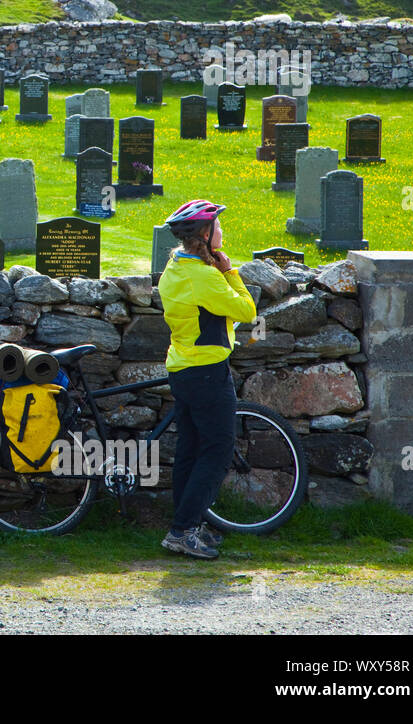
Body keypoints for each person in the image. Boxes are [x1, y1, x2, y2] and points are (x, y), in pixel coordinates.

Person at [156, 199, 257, 560]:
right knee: (216, 451)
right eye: (217, 226)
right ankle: (183, 531)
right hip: (208, 371)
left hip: (182, 368)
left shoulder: (176, 266)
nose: (222, 232)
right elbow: (246, 310)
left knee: (189, 450)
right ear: (205, 234)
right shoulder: (205, 276)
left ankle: (186, 526)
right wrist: (230, 271)